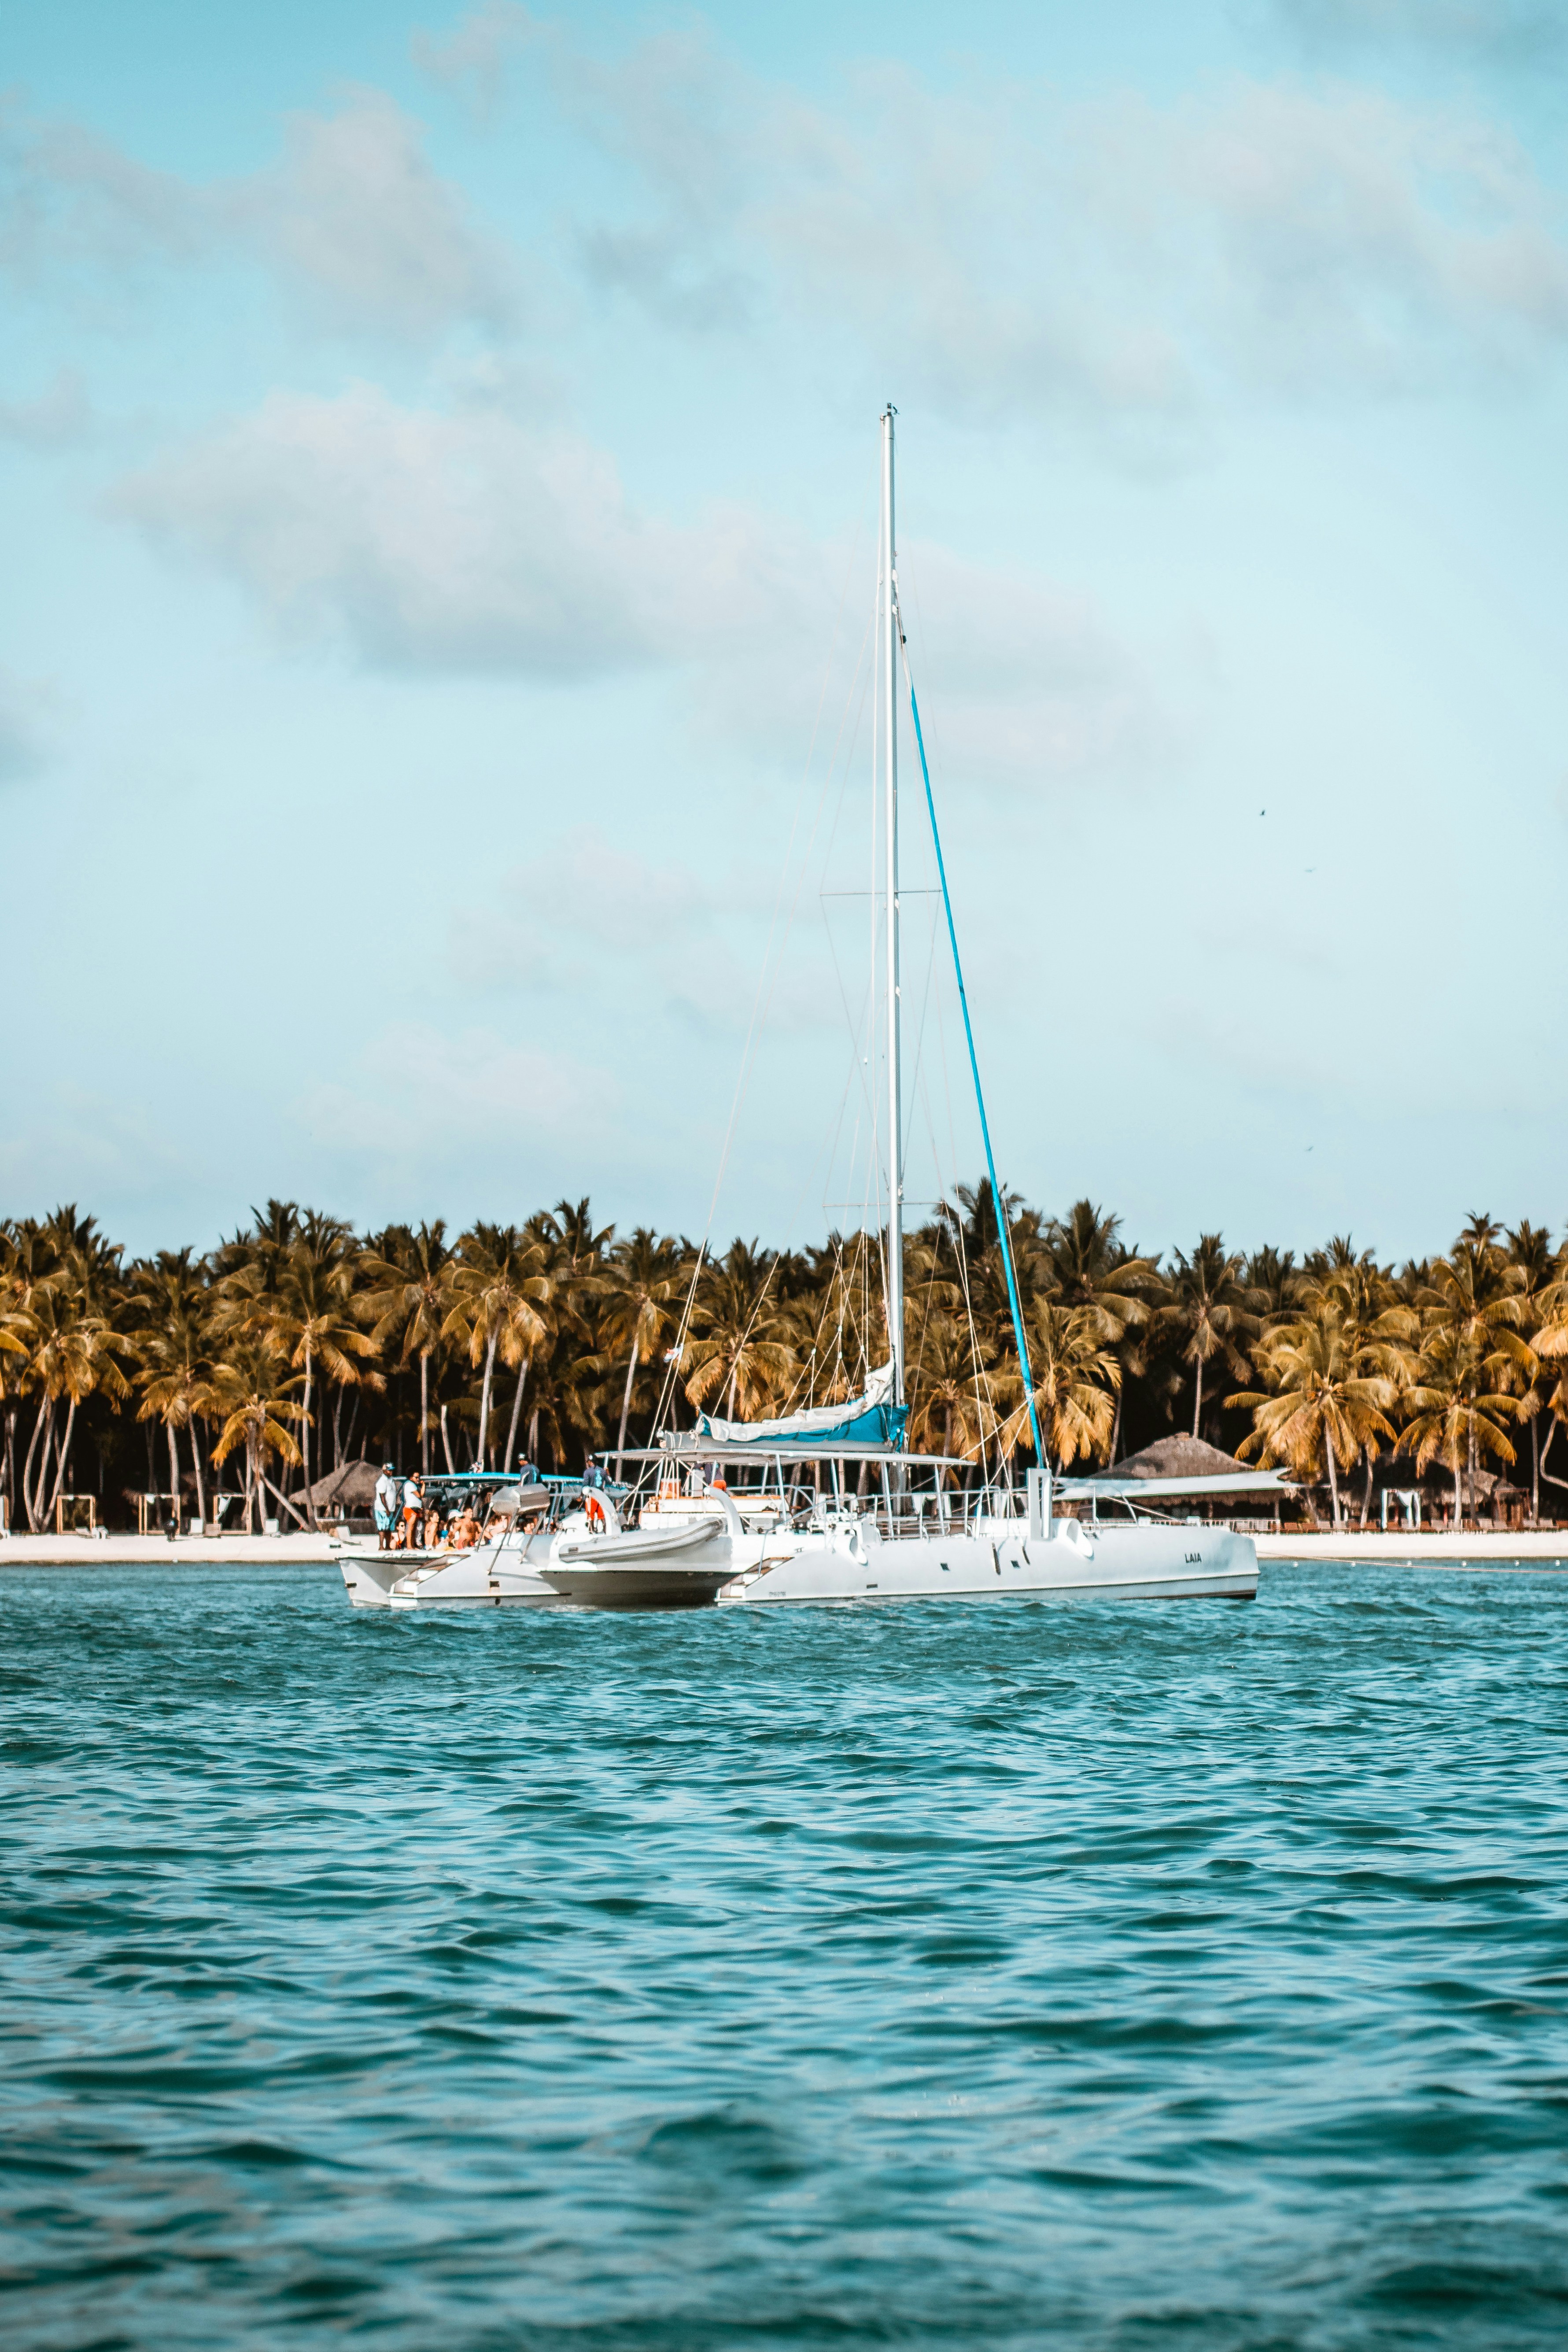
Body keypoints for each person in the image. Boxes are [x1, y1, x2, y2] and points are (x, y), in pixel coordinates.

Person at [374, 1463, 399, 1551]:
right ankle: (381, 1546)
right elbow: (382, 1496)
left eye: (392, 1470)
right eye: (389, 1470)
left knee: (389, 1529)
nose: (391, 1472)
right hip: (382, 1509)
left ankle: (388, 1546)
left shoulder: (391, 1480)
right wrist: (387, 1509)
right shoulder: (382, 1481)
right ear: (385, 1471)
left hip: (391, 1509)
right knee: (382, 1528)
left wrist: (393, 1508)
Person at [400, 1472, 423, 1552]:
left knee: (414, 1529)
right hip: (410, 1509)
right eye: (416, 1477)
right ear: (411, 1477)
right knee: (411, 1528)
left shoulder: (414, 1486)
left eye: (419, 1477)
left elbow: (421, 1495)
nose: (418, 1479)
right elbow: (419, 1495)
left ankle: (413, 1545)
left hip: (416, 1510)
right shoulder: (410, 1484)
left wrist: (424, 1485)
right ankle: (409, 1546)